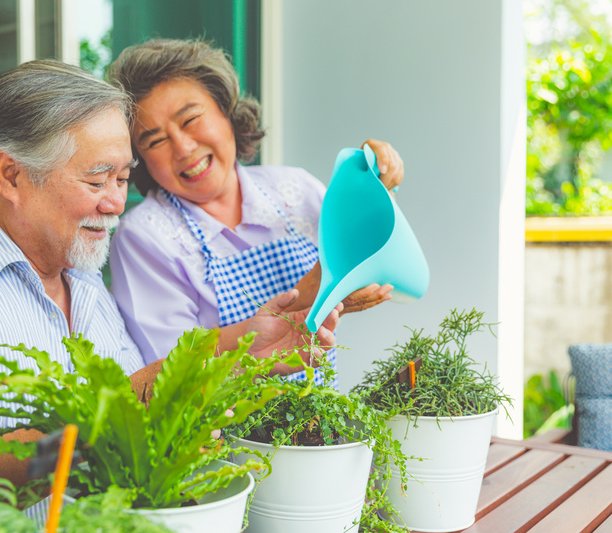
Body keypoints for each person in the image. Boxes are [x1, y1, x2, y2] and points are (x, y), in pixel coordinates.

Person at [0, 59, 340, 533]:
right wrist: (94, 424)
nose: (116, 203)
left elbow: (140, 405)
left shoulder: (84, 283)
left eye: (123, 179)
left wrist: (235, 355)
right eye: (97, 180)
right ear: (12, 175)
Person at [108, 38, 404, 387]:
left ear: (227, 111)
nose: (184, 148)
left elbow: (377, 260)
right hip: (222, 437)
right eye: (155, 141)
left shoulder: (295, 188)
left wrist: (374, 186)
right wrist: (310, 292)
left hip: (321, 426)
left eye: (190, 120)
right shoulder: (144, 236)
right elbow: (170, 370)